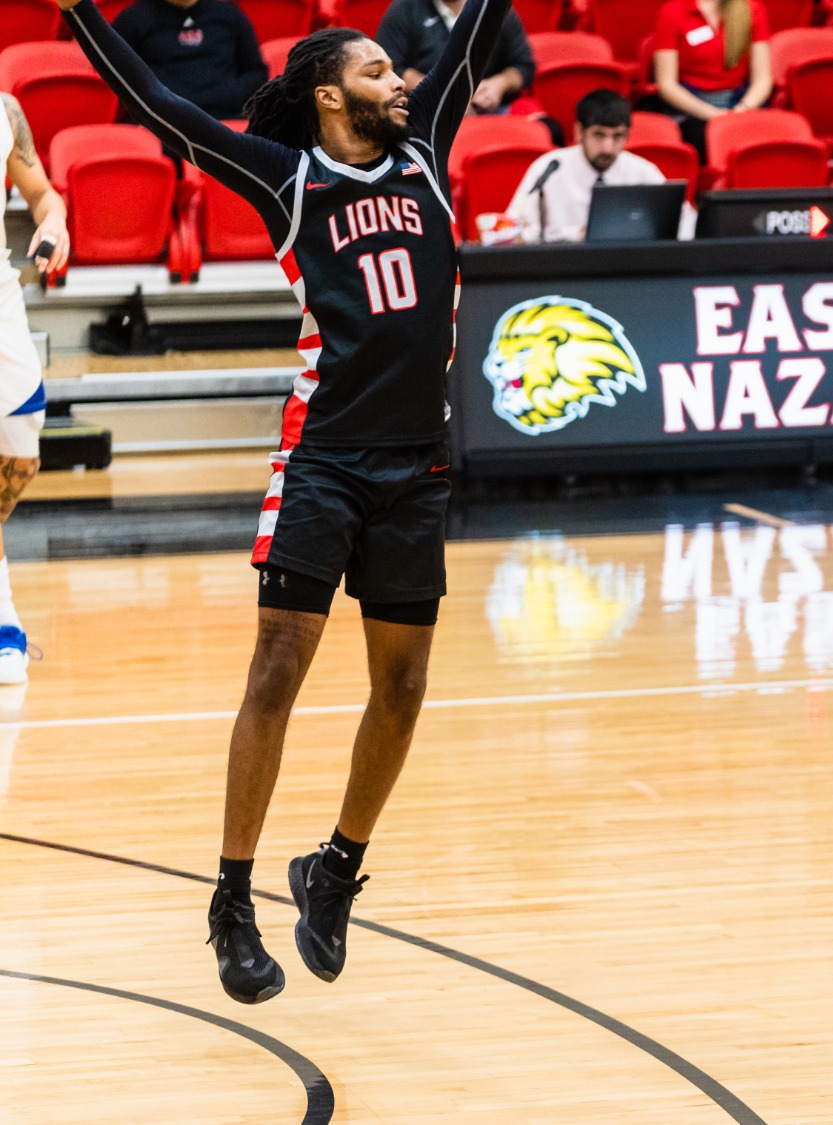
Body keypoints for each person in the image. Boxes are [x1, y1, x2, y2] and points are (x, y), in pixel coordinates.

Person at [63, 0, 512, 1005]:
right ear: (328, 91)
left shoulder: (427, 147)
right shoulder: (289, 177)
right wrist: (75, 15)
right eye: (381, 70)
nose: (403, 81)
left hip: (418, 461)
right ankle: (231, 899)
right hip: (324, 456)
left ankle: (336, 867)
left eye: (403, 72)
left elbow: (483, 26)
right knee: (278, 666)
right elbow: (159, 101)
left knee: (400, 691)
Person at [0, 99, 69, 686]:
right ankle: (3, 617)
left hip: (1, 302)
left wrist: (53, 220)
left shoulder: (6, 110)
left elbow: (45, 194)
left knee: (21, 457)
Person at [503, 89, 667, 243]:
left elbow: (682, 227)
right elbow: (513, 234)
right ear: (579, 132)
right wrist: (575, 234)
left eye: (618, 136)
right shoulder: (549, 168)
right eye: (598, 134)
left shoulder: (644, 173)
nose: (607, 148)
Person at [647, 0, 773, 161]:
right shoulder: (673, 11)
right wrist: (712, 114)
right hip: (692, 107)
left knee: (762, 137)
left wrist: (742, 109)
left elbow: (763, 79)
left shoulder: (752, 8)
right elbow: (666, 84)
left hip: (739, 102)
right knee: (707, 137)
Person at [110, 0, 267, 119]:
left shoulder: (229, 14)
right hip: (164, 125)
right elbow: (115, 79)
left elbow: (256, 72)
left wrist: (231, 93)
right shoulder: (131, 20)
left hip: (228, 120)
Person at [377, 0, 533, 114]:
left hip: (489, 108)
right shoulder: (404, 9)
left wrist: (499, 84)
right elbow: (390, 69)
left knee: (545, 127)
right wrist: (444, 95)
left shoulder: (494, 6)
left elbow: (524, 65)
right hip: (425, 109)